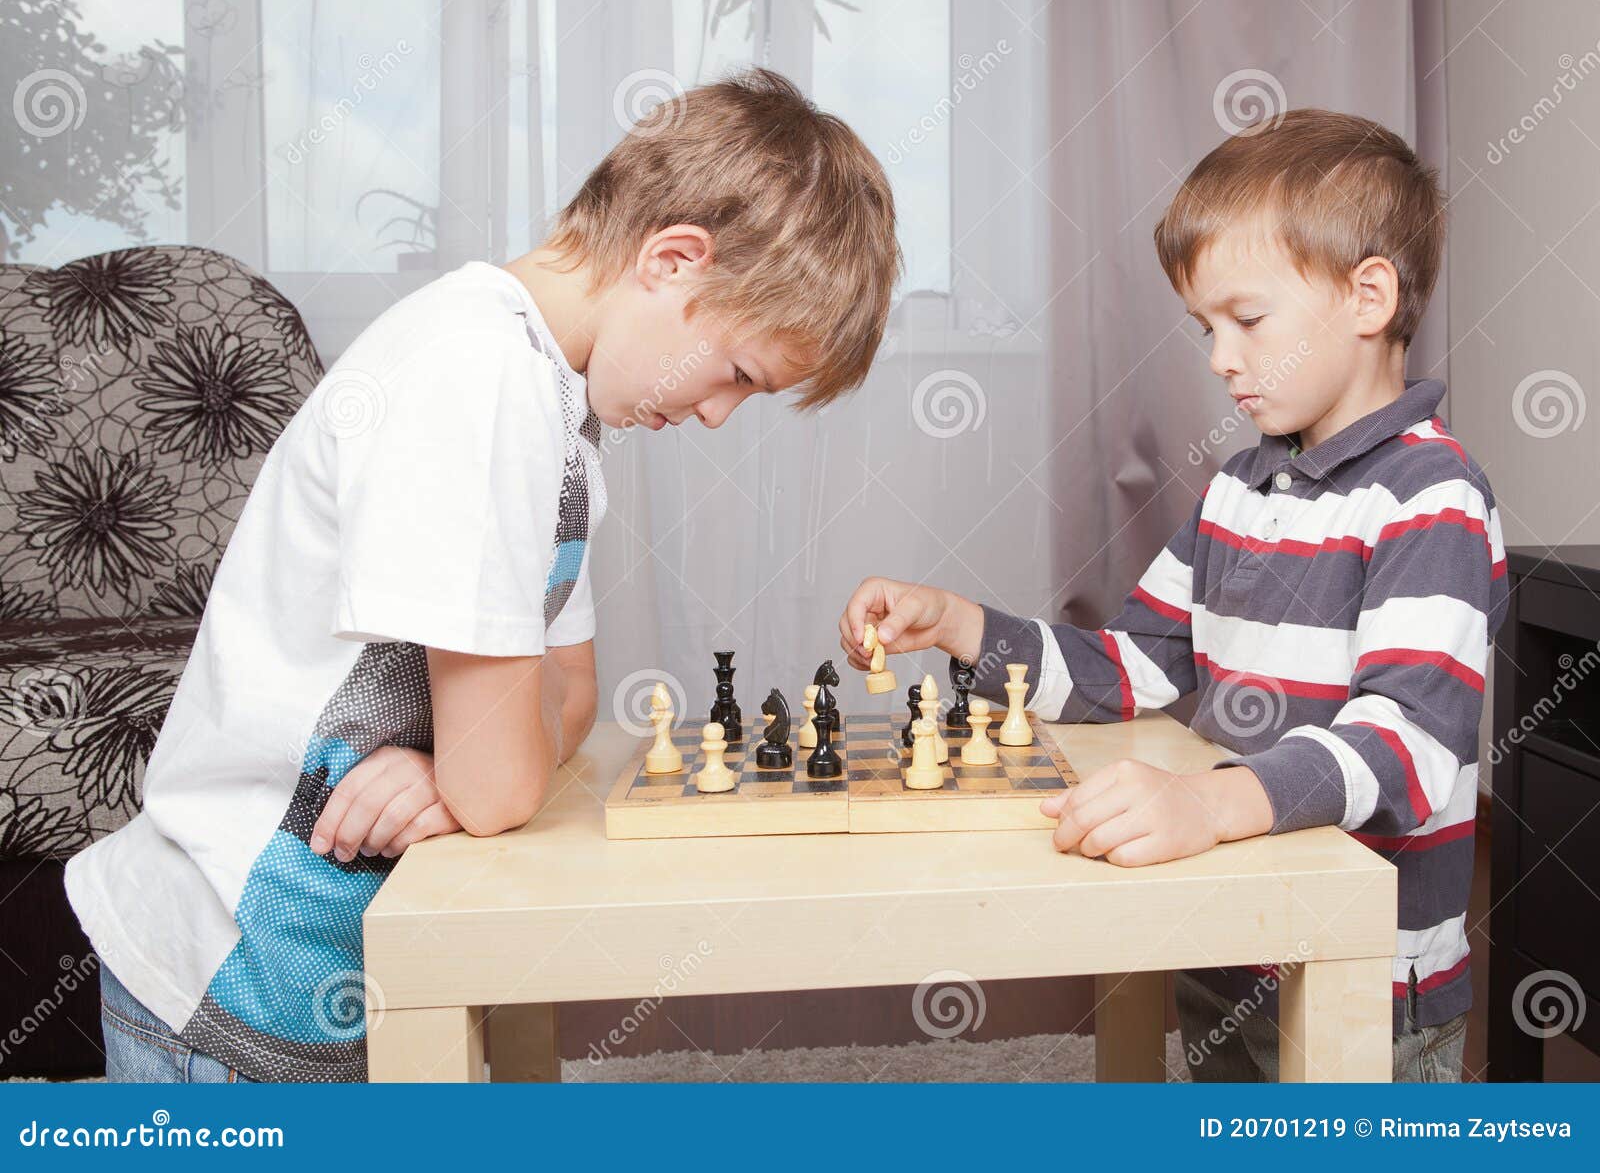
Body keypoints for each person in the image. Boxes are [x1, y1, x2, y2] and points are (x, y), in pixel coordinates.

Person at [69, 68, 900, 1083]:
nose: (719, 415)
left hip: (334, 960)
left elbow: (574, 695)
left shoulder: (559, 417)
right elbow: (504, 781)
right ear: (674, 259)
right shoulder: (476, 376)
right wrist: (478, 766)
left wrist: (454, 768)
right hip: (230, 980)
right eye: (737, 373)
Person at [839, 109, 1502, 1082]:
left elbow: (1406, 745)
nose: (1220, 358)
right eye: (1205, 329)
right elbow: (1129, 666)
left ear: (1369, 297)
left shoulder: (1431, 497)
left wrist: (1208, 803)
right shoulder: (1239, 489)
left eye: (1247, 320)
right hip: (1232, 935)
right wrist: (958, 624)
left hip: (1363, 972)